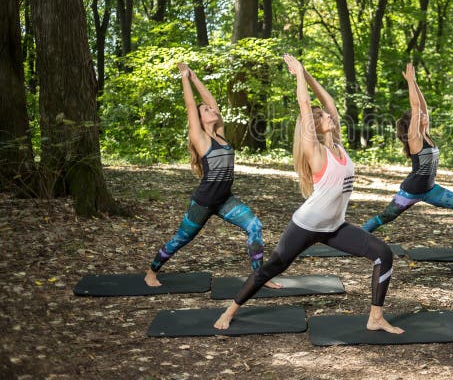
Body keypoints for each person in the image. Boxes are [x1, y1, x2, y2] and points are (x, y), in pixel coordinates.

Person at [214, 54, 403, 333]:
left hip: (334, 227)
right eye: (323, 117)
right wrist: (299, 77)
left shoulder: (338, 146)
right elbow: (305, 105)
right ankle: (230, 310)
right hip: (306, 225)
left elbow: (329, 103)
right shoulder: (315, 151)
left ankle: (375, 317)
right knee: (273, 267)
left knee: (383, 254)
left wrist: (306, 74)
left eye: (327, 115)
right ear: (313, 126)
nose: (329, 116)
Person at [145, 63, 280, 289]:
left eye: (211, 109)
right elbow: (191, 105)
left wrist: (195, 77)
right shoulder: (200, 138)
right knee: (182, 238)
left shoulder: (219, 134)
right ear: (199, 120)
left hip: (225, 199)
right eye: (206, 110)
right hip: (204, 201)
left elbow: (212, 102)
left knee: (255, 226)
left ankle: (259, 277)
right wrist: (184, 78)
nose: (212, 110)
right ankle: (151, 272)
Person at [362, 63, 453, 257]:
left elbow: (422, 106)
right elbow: (416, 106)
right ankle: (357, 239)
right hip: (410, 192)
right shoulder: (415, 138)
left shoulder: (425, 133)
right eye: (420, 116)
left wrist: (415, 83)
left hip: (430, 190)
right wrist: (409, 82)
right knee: (384, 217)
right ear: (414, 122)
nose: (425, 115)